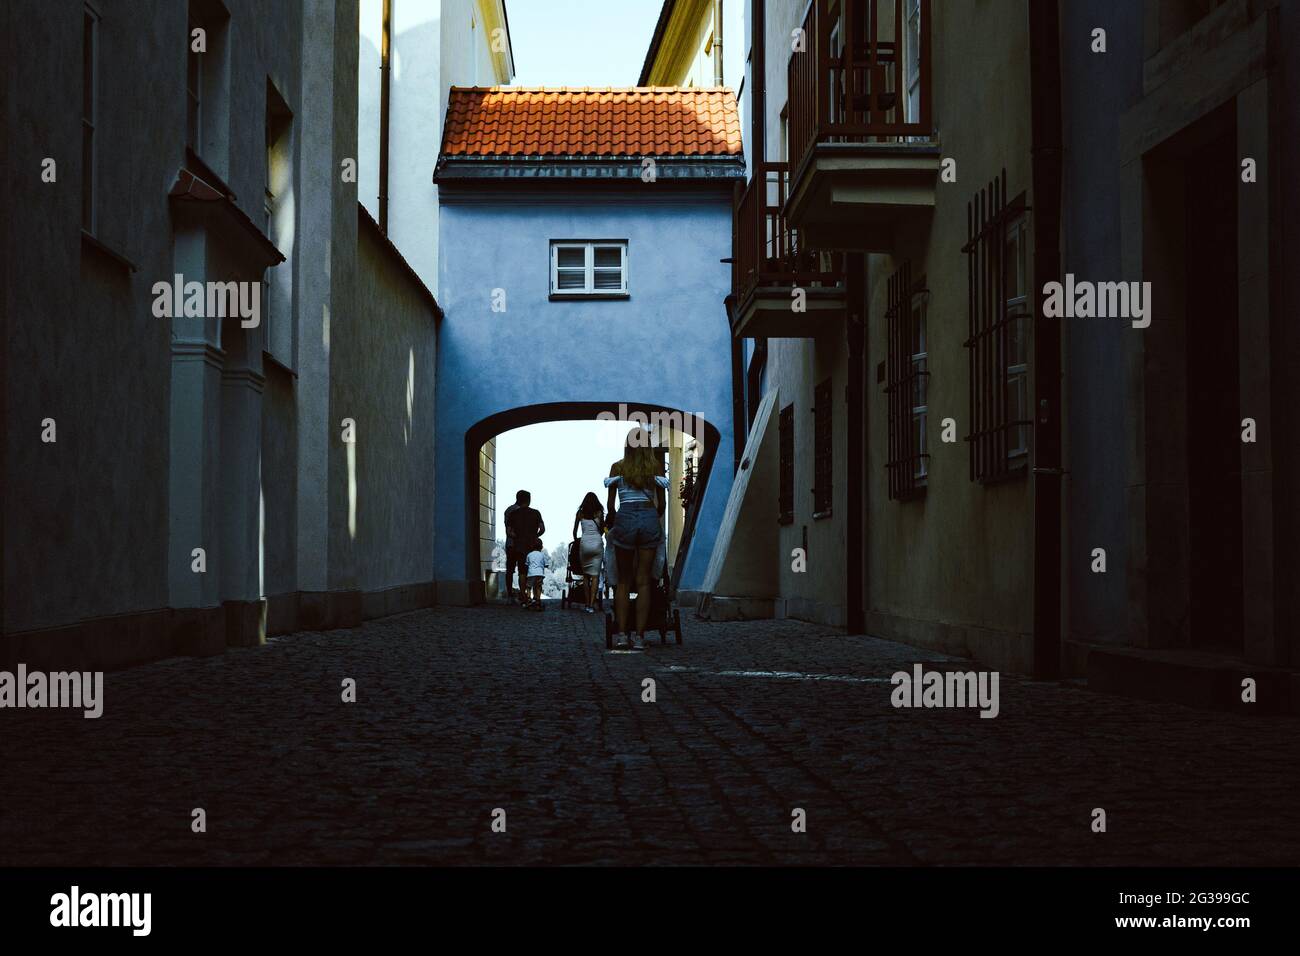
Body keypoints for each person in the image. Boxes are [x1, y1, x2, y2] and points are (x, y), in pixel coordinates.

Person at [604, 426, 669, 650]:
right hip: (649, 517)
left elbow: (611, 506)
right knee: (643, 581)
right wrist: (651, 517)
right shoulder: (655, 467)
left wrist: (618, 520)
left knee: (623, 580)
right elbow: (662, 504)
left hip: (626, 517)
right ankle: (640, 638)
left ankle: (622, 635)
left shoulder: (617, 468)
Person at [505, 491, 545, 605]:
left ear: (518, 499)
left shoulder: (513, 514)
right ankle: (536, 597)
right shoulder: (536, 513)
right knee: (533, 571)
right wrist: (535, 536)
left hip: (518, 546)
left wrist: (517, 536)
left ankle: (524, 596)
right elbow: (542, 529)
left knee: (522, 572)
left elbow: (509, 532)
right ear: (529, 500)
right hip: (532, 546)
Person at [572, 492, 606, 615]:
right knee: (595, 576)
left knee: (585, 576)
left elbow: (574, 532)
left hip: (584, 543)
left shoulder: (580, 513)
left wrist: (577, 541)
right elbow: (602, 530)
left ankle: (586, 603)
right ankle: (592, 604)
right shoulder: (599, 513)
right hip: (597, 543)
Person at [524, 537, 546, 610]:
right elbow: (545, 564)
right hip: (540, 574)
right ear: (541, 546)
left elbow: (526, 564)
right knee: (538, 586)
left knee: (529, 587)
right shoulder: (542, 555)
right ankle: (538, 600)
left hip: (531, 574)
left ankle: (529, 600)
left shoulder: (529, 555)